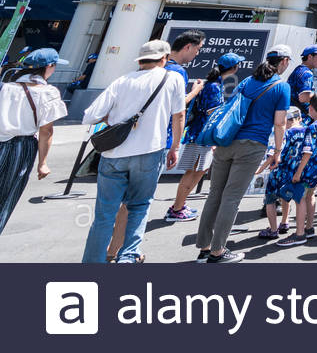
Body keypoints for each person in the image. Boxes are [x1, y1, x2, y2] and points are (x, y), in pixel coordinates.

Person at [81, 40, 186, 263]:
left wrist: (113, 118)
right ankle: (128, 257)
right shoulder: (173, 78)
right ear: (164, 58)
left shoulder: (122, 80)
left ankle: (92, 263)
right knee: (139, 206)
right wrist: (175, 147)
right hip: (150, 150)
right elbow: (178, 115)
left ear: (140, 60)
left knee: (104, 215)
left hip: (113, 154)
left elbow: (89, 115)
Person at [194, 45, 293, 263]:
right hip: (252, 145)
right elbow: (280, 123)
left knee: (215, 195)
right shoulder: (281, 87)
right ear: (284, 61)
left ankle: (204, 246)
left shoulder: (248, 81)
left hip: (227, 141)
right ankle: (218, 251)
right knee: (231, 198)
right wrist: (277, 151)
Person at [166, 52, 243, 223]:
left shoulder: (214, 84)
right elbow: (212, 113)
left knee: (198, 171)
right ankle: (177, 208)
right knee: (193, 171)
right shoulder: (214, 87)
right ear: (233, 67)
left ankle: (180, 205)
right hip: (202, 135)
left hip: (199, 134)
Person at [0, 48, 67, 236]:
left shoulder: (4, 87)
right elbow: (46, 131)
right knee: (6, 197)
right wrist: (42, 163)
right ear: (48, 67)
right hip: (20, 149)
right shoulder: (47, 92)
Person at [278, 90, 317, 246]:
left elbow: (307, 152)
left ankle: (299, 233)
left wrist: (298, 172)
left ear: (310, 108)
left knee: (300, 198)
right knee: (310, 195)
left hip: (308, 168)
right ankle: (309, 227)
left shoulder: (311, 128)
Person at [260, 106, 305, 238]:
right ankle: (285, 221)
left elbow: (273, 154)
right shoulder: (305, 131)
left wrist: (260, 169)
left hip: (279, 172)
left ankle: (273, 230)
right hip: (294, 171)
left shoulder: (285, 133)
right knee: (287, 197)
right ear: (300, 118)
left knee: (270, 199)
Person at [288, 45, 317, 115]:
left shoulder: (299, 69)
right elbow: (303, 98)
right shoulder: (307, 73)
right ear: (310, 56)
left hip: (291, 113)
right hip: (300, 115)